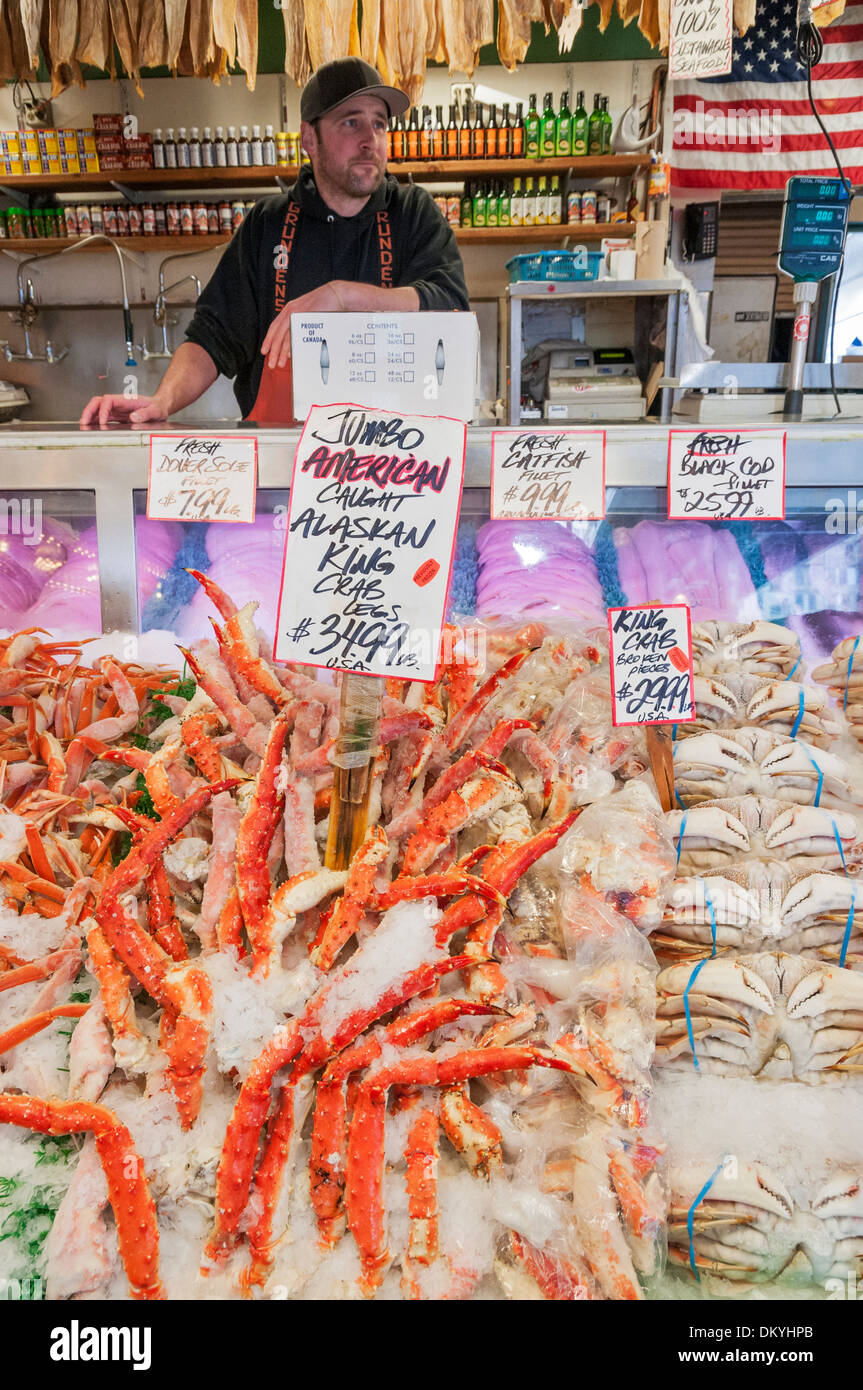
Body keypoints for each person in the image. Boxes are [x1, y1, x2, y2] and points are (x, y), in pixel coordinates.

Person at [80, 58, 470, 427]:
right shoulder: (268, 224)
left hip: (394, 458)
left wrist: (343, 296)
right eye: (351, 123)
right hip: (283, 461)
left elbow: (449, 304)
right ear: (309, 139)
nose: (370, 139)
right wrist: (161, 401)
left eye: (380, 124)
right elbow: (213, 337)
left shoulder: (414, 213)